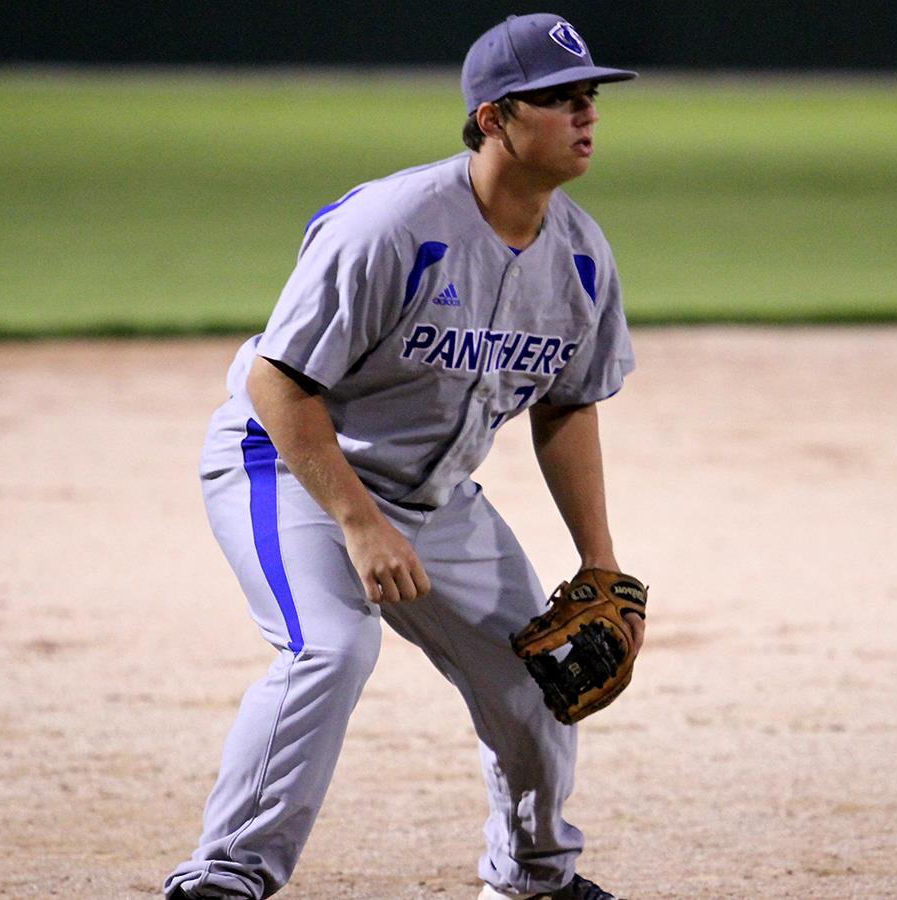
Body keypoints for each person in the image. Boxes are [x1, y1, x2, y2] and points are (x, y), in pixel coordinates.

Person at [163, 14, 643, 900]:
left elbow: (567, 406)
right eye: (559, 97)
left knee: (535, 674)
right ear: (494, 118)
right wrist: (358, 522)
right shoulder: (392, 225)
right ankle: (224, 876)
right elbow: (277, 384)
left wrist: (600, 561)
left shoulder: (580, 258)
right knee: (331, 647)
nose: (586, 112)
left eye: (590, 95)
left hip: (436, 498)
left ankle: (533, 877)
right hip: (294, 468)